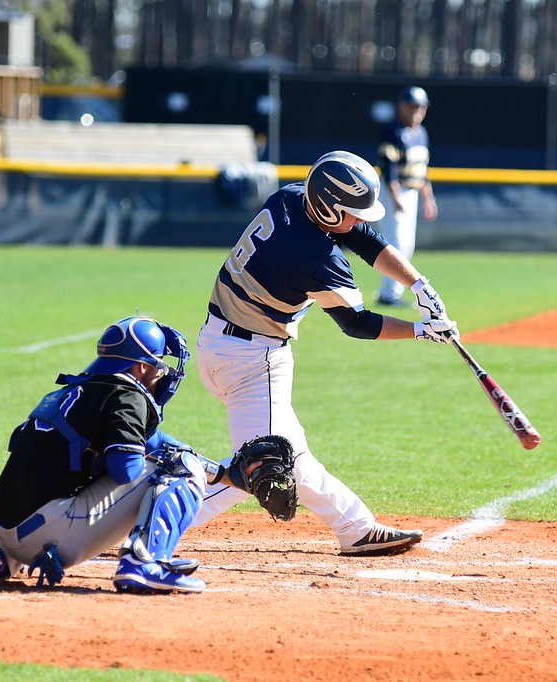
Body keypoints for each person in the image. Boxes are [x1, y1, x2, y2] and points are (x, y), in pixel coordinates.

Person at [193, 150, 458, 556]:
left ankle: (355, 527)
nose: (359, 220)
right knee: (262, 465)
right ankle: (154, 518)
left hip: (222, 345)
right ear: (330, 209)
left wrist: (419, 284)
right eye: (352, 212)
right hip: (253, 362)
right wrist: (423, 332)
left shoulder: (293, 196)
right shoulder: (317, 259)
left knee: (293, 456)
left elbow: (361, 238)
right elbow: (357, 324)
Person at [0, 316, 252, 594]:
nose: (163, 373)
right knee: (181, 466)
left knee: (173, 456)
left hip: (6, 531)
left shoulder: (84, 389)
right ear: (142, 366)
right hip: (48, 534)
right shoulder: (127, 396)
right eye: (160, 364)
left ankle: (5, 558)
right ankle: (144, 563)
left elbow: (157, 443)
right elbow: (126, 470)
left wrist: (228, 475)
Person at [375, 86, 438, 306]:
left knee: (407, 245)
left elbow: (422, 170)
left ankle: (391, 292)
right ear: (402, 107)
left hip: (412, 190)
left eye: (421, 106)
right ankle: (388, 294)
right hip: (394, 190)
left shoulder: (421, 133)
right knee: (397, 243)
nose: (417, 110)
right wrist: (395, 197)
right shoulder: (393, 131)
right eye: (412, 105)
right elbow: (388, 168)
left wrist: (428, 198)